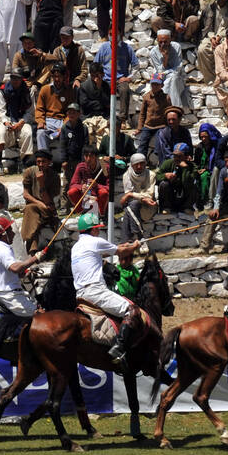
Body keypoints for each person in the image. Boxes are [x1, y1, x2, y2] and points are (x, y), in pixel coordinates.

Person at [70, 212, 144, 365]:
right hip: (96, 291)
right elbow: (122, 252)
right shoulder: (95, 241)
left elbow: (115, 248)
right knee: (132, 310)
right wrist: (135, 245)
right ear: (93, 229)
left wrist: (125, 246)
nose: (99, 231)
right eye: (97, 228)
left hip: (80, 293)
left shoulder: (76, 246)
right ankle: (119, 348)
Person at [0, 216, 44, 318]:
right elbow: (15, 268)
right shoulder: (2, 249)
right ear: (4, 234)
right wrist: (36, 257)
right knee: (40, 316)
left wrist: (23, 272)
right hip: (9, 296)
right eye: (10, 231)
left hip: (8, 293)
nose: (13, 233)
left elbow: (11, 272)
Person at [196, 0, 228, 82]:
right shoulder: (210, 7)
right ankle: (210, 79)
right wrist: (212, 38)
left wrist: (220, 37)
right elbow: (205, 27)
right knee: (202, 50)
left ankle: (226, 79)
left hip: (227, 37)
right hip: (210, 36)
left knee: (226, 50)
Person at [93, 34, 138, 124]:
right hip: (106, 79)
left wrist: (129, 78)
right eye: (110, 34)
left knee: (125, 90)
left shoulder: (127, 48)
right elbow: (96, 64)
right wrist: (99, 77)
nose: (113, 36)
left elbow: (136, 65)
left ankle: (122, 120)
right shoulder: (104, 47)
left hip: (120, 79)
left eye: (115, 33)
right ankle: (104, 117)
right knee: (99, 91)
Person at [20, 150, 60, 250]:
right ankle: (33, 249)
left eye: (43, 162)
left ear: (49, 162)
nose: (40, 164)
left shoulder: (55, 177)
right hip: (34, 206)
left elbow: (49, 201)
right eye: (38, 162)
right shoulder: (29, 172)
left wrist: (41, 183)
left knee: (30, 210)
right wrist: (39, 203)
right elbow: (26, 194)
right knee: (31, 208)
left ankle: (26, 241)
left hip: (47, 208)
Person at [0, 69, 35, 166]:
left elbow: (30, 112)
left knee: (28, 133)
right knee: (1, 132)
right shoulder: (3, 90)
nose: (15, 81)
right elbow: (0, 110)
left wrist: (21, 122)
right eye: (13, 78)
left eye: (18, 78)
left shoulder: (28, 91)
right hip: (7, 118)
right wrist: (6, 122)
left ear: (22, 79)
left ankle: (23, 161)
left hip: (22, 119)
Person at [35, 61, 73, 154]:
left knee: (70, 135)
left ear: (64, 77)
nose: (57, 79)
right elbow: (39, 109)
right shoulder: (45, 89)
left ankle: (67, 162)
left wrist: (64, 126)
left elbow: (70, 112)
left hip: (62, 121)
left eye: (59, 76)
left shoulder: (69, 91)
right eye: (54, 76)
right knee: (40, 133)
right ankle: (44, 159)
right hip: (48, 121)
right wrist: (41, 121)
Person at [120, 153, 158, 240]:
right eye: (136, 164)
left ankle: (126, 242)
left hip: (148, 207)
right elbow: (128, 198)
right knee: (132, 205)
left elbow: (149, 195)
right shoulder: (127, 175)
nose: (139, 166)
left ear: (145, 163)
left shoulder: (151, 175)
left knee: (129, 210)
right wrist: (141, 197)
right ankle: (139, 237)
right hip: (133, 206)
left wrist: (132, 194)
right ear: (132, 165)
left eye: (142, 163)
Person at [67, 146, 109, 219]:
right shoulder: (81, 166)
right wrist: (81, 187)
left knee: (103, 192)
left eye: (91, 156)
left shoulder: (104, 167)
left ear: (96, 157)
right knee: (71, 192)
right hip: (86, 195)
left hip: (98, 195)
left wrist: (97, 185)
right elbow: (73, 184)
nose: (88, 159)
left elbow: (109, 187)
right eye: (86, 156)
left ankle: (101, 216)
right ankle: (82, 213)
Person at [155, 143, 199, 213]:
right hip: (171, 195)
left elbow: (188, 183)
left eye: (179, 156)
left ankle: (187, 207)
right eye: (175, 156)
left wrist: (185, 169)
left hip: (184, 196)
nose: (176, 158)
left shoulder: (193, 167)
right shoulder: (168, 163)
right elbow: (157, 177)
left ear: (186, 156)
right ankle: (166, 207)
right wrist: (165, 176)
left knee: (193, 186)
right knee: (164, 184)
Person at [43, 26, 88, 90]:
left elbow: (84, 70)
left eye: (67, 37)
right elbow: (53, 69)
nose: (65, 39)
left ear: (72, 37)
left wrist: (78, 79)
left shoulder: (79, 50)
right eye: (63, 37)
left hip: (74, 80)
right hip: (60, 80)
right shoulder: (57, 51)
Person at [78, 60, 111, 146]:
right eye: (93, 76)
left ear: (102, 75)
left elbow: (108, 103)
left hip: (103, 116)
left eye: (97, 75)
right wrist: (99, 104)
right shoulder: (84, 86)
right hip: (88, 116)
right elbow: (84, 103)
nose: (95, 78)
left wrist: (99, 88)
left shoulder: (106, 86)